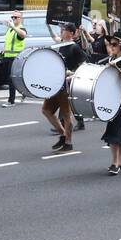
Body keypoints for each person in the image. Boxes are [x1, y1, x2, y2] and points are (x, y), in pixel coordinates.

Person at [46, 21, 91, 151]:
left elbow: (85, 64)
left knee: (66, 114)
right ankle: (63, 134)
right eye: (61, 29)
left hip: (66, 85)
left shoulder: (74, 47)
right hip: (57, 84)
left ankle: (68, 142)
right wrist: (48, 26)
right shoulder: (61, 44)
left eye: (64, 29)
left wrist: (73, 74)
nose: (61, 31)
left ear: (71, 33)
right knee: (46, 110)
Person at [100, 36, 121, 175]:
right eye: (110, 44)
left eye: (114, 44)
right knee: (117, 127)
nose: (111, 47)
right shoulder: (111, 60)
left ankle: (115, 163)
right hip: (111, 99)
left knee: (113, 127)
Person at [0, 10, 29, 106]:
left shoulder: (20, 28)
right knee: (10, 78)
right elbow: (8, 42)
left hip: (16, 58)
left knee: (11, 79)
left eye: (16, 17)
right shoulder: (10, 29)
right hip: (7, 56)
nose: (13, 19)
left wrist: (13, 26)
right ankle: (24, 92)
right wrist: (4, 49)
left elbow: (23, 35)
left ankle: (11, 101)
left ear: (20, 19)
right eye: (12, 17)